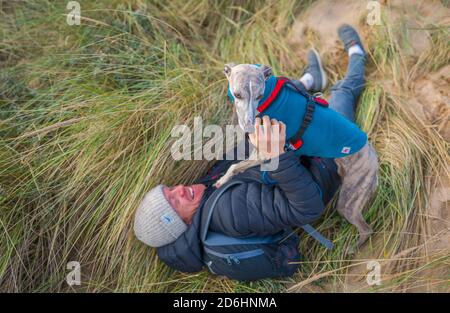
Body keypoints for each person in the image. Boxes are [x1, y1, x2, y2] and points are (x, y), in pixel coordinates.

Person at [133, 24, 368, 279]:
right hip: (322, 164)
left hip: (289, 150)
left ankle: (310, 80)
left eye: (170, 190)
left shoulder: (205, 193)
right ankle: (358, 54)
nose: (179, 190)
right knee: (341, 94)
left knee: (269, 100)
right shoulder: (229, 212)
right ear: (182, 224)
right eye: (174, 203)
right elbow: (306, 208)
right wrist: (277, 155)